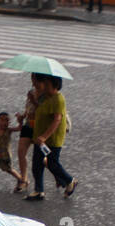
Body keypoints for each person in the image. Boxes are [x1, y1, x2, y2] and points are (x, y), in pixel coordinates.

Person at [25, 73, 76, 201]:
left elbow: (57, 120)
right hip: (40, 137)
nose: (45, 86)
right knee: (37, 164)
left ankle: (70, 181)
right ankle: (39, 190)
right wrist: (33, 100)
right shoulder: (46, 97)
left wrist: (44, 136)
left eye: (47, 84)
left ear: (55, 85)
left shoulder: (58, 99)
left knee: (53, 163)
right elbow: (41, 109)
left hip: (51, 139)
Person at [0, 112, 23, 190]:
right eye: (2, 120)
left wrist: (20, 121)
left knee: (8, 169)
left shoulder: (9, 130)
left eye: (7, 120)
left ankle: (21, 179)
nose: (4, 122)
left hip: (5, 155)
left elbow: (19, 128)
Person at [14, 89, 37, 193]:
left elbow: (44, 111)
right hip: (28, 126)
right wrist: (21, 117)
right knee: (21, 152)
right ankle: (24, 179)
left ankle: (60, 176)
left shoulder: (47, 95)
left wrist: (34, 100)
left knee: (44, 158)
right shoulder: (31, 93)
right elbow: (28, 111)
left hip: (40, 128)